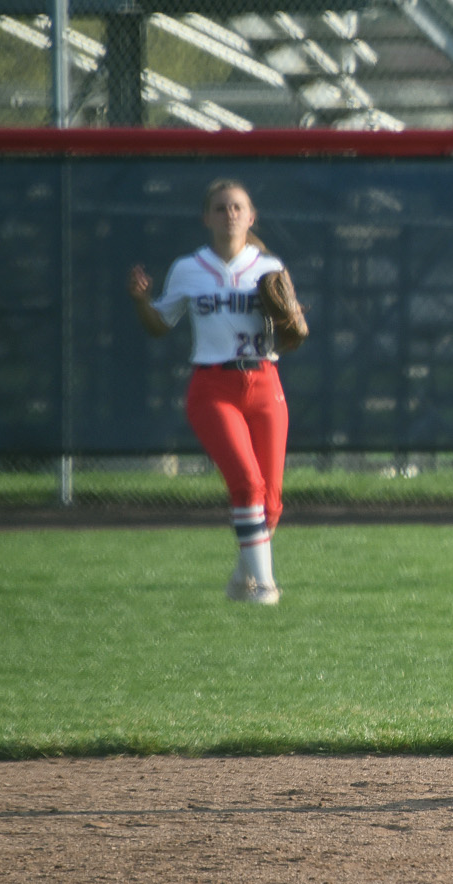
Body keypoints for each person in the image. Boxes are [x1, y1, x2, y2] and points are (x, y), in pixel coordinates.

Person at [127, 179, 294, 605]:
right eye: (220, 208)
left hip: (264, 382)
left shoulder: (268, 267)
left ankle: (242, 579)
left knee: (271, 502)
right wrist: (142, 302)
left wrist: (292, 316)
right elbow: (160, 325)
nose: (229, 215)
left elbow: (292, 332)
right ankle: (263, 586)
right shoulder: (188, 268)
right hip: (214, 386)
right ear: (206, 218)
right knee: (247, 484)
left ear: (251, 216)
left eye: (237, 207)